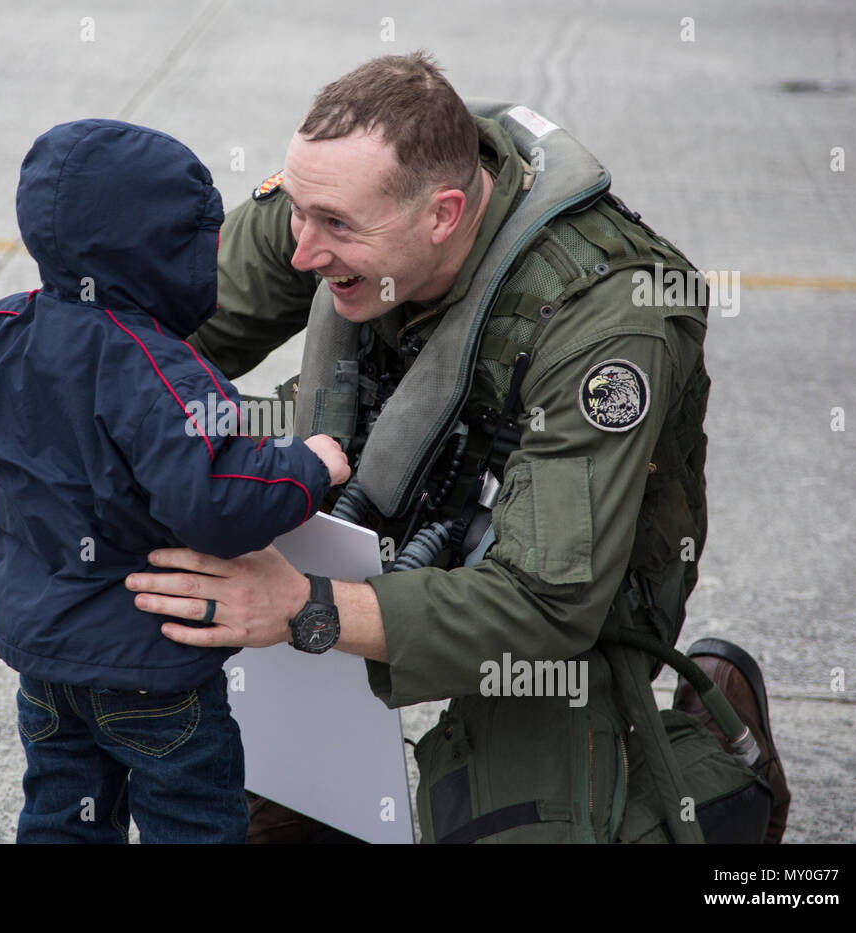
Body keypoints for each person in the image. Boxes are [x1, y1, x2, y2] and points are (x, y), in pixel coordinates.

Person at [125, 53, 790, 843]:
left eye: (334, 226)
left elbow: (547, 601)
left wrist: (302, 609)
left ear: (442, 216)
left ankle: (718, 751)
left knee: (514, 832)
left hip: (553, 581)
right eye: (299, 211)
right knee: (204, 777)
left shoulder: (603, 319)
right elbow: (138, 345)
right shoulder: (340, 199)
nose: (302, 251)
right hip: (365, 490)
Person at [0, 118, 350, 844]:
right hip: (151, 667)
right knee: (193, 818)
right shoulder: (161, 371)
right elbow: (216, 497)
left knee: (61, 812)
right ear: (162, 251)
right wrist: (310, 466)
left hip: (44, 662)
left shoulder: (3, 331)